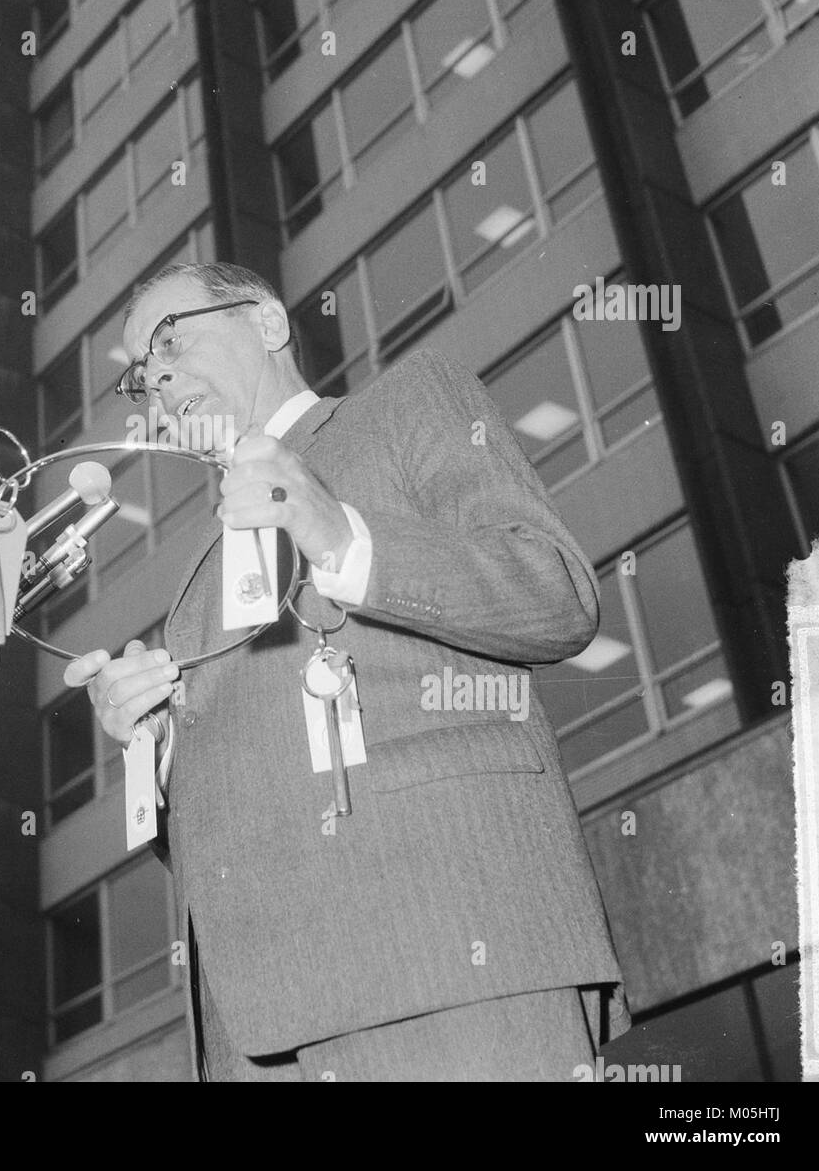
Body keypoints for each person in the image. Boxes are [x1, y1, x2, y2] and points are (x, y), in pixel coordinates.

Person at [65, 262, 628, 1081]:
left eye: (170, 340)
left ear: (263, 320)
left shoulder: (406, 404)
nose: (157, 379)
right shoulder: (194, 583)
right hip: (261, 1028)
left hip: (446, 953)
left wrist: (345, 541)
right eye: (139, 377)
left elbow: (558, 594)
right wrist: (152, 746)